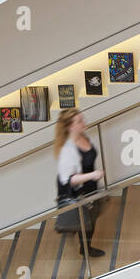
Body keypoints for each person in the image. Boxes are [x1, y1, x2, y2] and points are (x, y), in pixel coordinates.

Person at [54, 108, 106, 258]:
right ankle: (85, 248)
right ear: (70, 127)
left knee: (92, 216)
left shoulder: (82, 136)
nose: (84, 122)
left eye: (82, 119)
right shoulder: (67, 151)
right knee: (88, 220)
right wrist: (93, 175)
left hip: (90, 187)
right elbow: (68, 180)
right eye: (79, 121)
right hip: (81, 192)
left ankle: (81, 240)